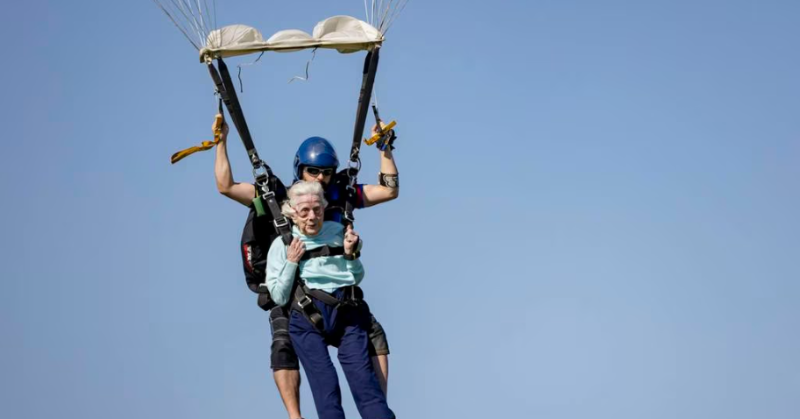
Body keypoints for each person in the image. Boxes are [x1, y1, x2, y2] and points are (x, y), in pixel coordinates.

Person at [214, 116, 399, 419]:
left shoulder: (340, 196)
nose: (319, 179)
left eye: (326, 173)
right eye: (312, 171)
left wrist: (384, 148)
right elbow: (226, 186)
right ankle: (295, 417)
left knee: (373, 332)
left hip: (337, 290)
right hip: (292, 291)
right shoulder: (278, 198)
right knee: (284, 343)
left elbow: (389, 190)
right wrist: (221, 142)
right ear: (300, 170)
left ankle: (377, 408)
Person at [267, 181, 394, 419]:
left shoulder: (337, 233)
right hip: (306, 319)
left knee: (365, 383)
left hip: (346, 314)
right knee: (326, 385)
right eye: (304, 211)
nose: (312, 216)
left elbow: (356, 276)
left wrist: (349, 254)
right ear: (293, 213)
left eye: (317, 209)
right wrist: (292, 262)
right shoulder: (282, 245)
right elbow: (279, 296)